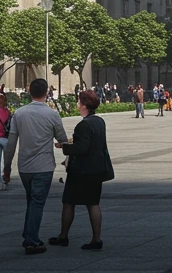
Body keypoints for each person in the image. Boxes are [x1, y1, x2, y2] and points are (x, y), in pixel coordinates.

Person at [3, 78, 69, 255]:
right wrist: (66, 146)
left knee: (31, 201)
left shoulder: (19, 113)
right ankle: (32, 241)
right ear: (47, 92)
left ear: (29, 92)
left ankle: (28, 233)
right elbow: (62, 139)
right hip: (44, 166)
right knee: (37, 203)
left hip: (24, 167)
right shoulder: (52, 114)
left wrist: (6, 168)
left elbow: (11, 144)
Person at [49, 90, 112, 251]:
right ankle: (96, 239)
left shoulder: (83, 124)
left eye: (79, 102)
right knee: (93, 203)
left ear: (84, 105)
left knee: (68, 202)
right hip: (97, 169)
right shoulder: (99, 121)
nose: (78, 105)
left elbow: (82, 148)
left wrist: (65, 147)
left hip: (82, 171)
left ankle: (63, 236)